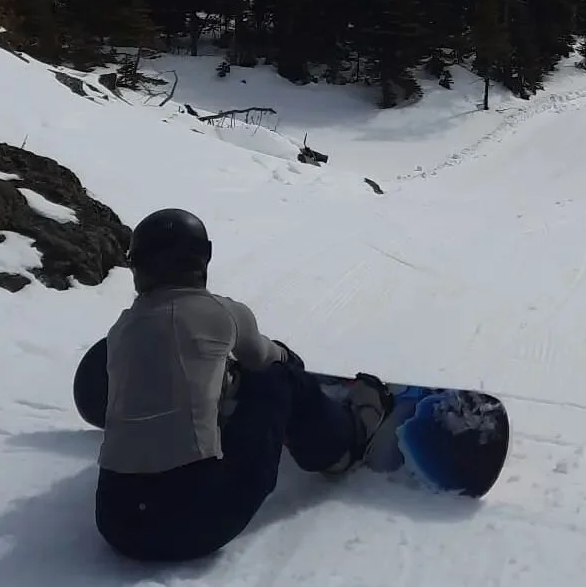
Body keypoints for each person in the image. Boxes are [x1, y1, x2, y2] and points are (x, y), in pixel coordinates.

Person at [94, 207, 390, 562]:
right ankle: (343, 444)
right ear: (203, 258)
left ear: (137, 265)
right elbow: (274, 360)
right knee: (279, 378)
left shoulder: (120, 331)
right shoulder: (223, 312)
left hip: (116, 523)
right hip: (196, 524)